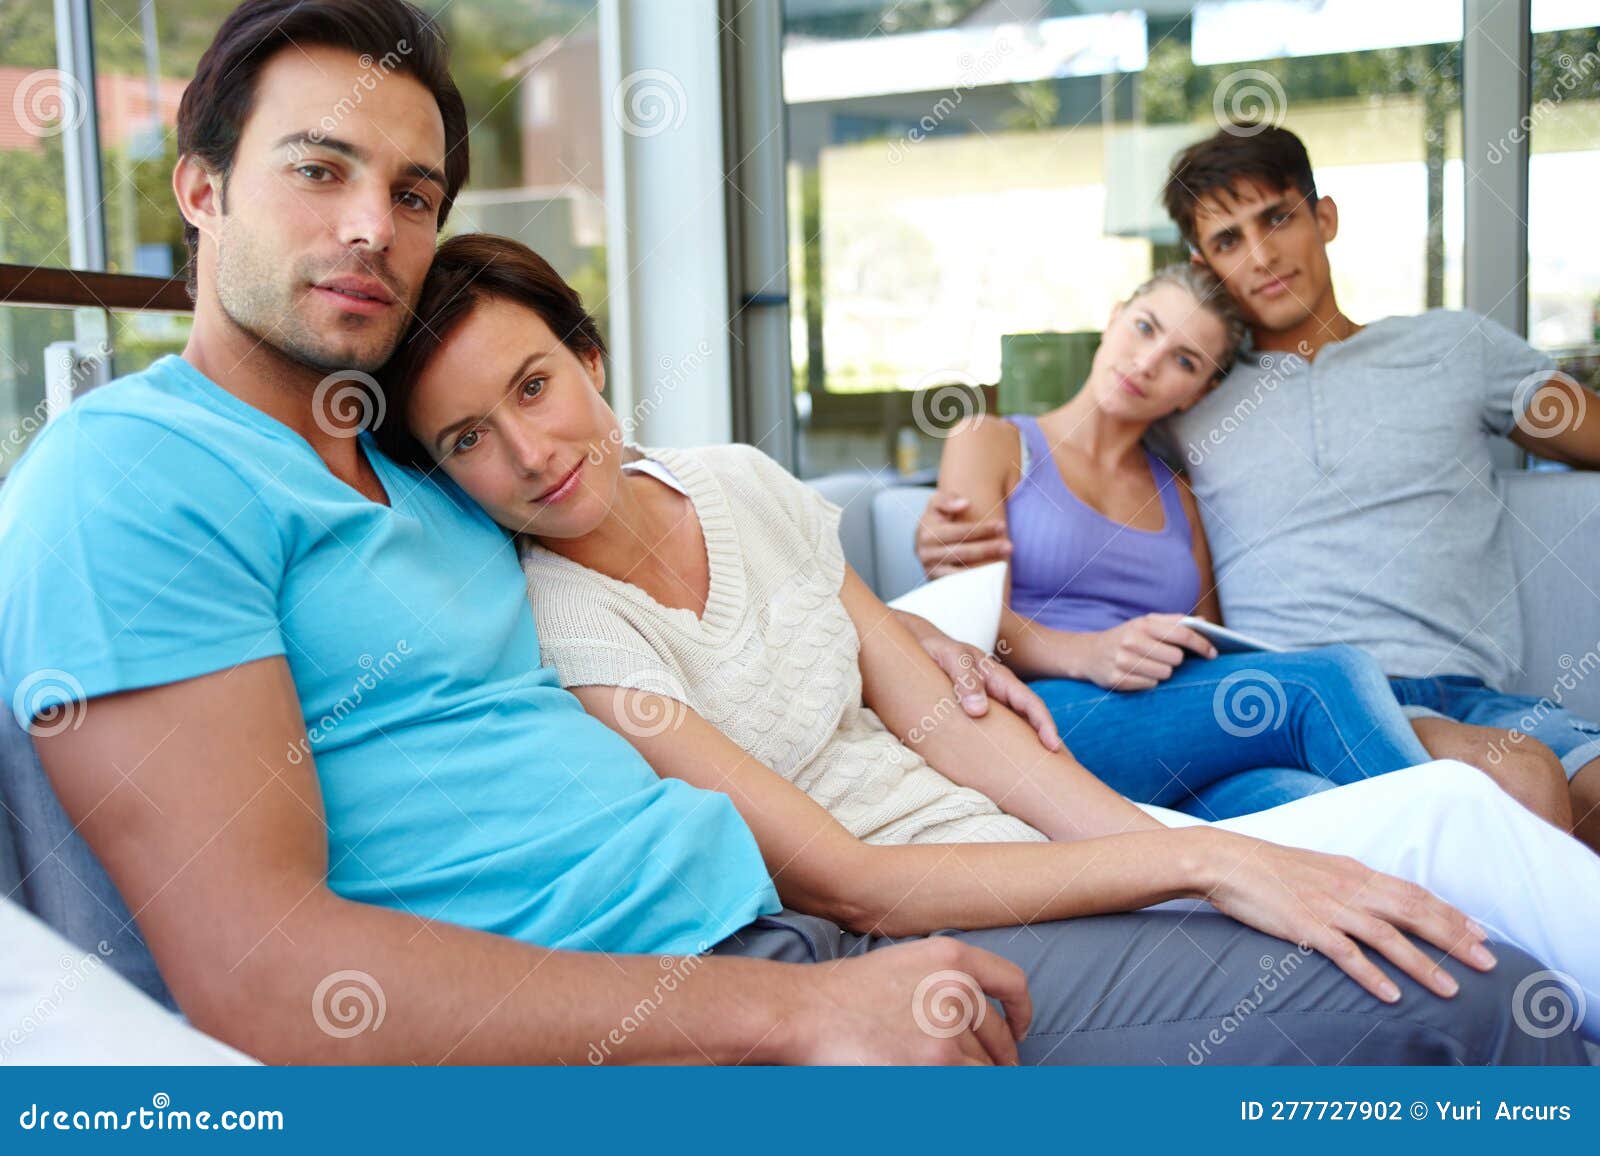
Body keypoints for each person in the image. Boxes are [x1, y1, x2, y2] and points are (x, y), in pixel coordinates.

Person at [6, 0, 1580, 1067]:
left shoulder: (421, 478)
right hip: (737, 998)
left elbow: (726, 551)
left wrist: (972, 648)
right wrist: (800, 1016)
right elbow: (261, 973)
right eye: (318, 170)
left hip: (796, 923)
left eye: (413, 191)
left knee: (1473, 973)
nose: (372, 226)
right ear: (199, 189)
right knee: (1477, 1008)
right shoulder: (129, 476)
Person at [374, 232, 1600, 1042]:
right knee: (1478, 979)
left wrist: (1163, 841)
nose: (529, 453)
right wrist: (1199, 865)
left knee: (1451, 816)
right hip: (948, 905)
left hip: (1038, 832)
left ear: (590, 360)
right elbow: (849, 879)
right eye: (468, 438)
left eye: (532, 386)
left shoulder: (733, 478)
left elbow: (943, 719)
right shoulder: (565, 625)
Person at [918, 123, 1600, 844]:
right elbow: (1054, 468)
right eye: (1228, 241)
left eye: (1277, 218)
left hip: (1479, 695)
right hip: (1308, 699)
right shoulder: (1196, 405)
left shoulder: (1456, 349)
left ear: (1323, 216)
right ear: (1201, 265)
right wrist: (937, 528)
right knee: (1514, 779)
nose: (1263, 256)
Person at [930, 262, 1447, 820]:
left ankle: (1463, 893)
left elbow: (1210, 641)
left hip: (1174, 731)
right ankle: (1483, 852)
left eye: (1184, 361)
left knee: (1308, 805)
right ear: (1113, 319)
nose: (1147, 363)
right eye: (1145, 327)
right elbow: (968, 623)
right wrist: (1090, 654)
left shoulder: (1179, 495)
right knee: (1333, 676)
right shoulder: (991, 441)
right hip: (1040, 712)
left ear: (1198, 393)